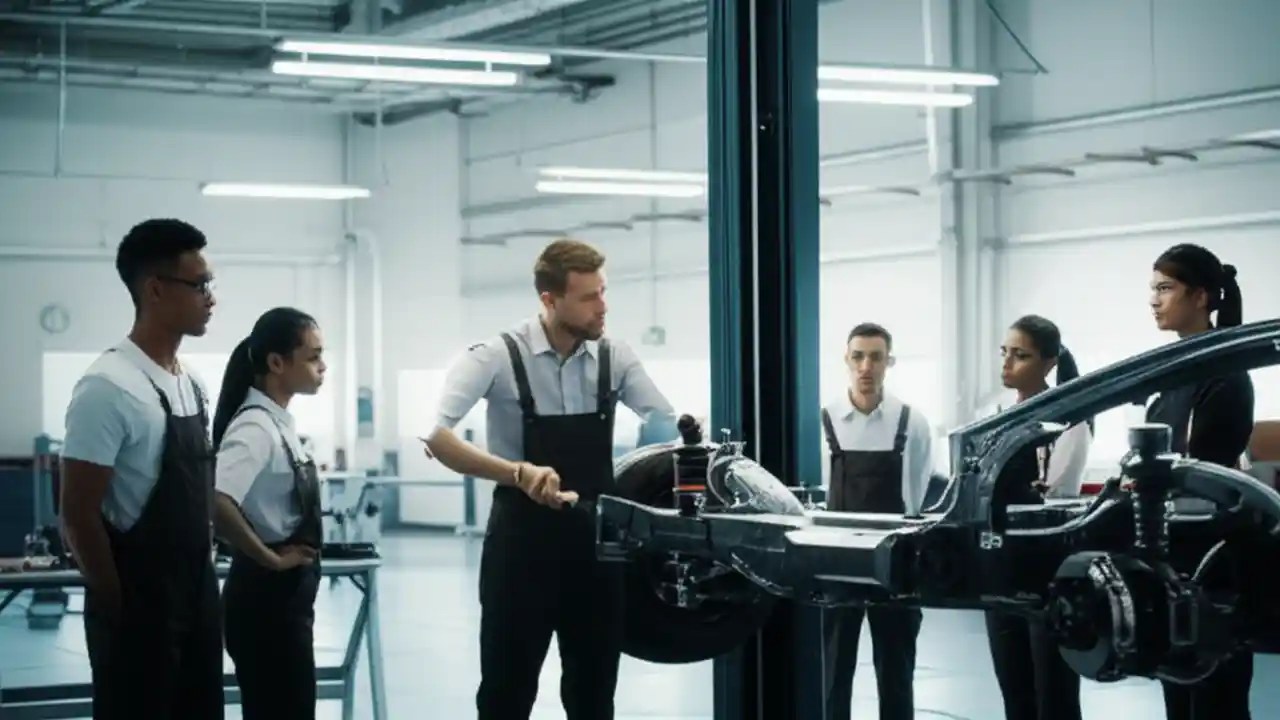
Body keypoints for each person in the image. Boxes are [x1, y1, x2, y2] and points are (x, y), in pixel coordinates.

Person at [422, 238, 677, 720]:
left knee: (594, 697)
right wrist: (517, 472)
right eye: (589, 296)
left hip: (596, 550)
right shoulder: (495, 357)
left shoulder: (614, 358)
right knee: (506, 694)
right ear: (549, 299)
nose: (603, 306)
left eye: (603, 292)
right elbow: (436, 437)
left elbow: (667, 424)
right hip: (521, 550)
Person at [59, 218, 223, 719]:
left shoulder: (193, 383)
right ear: (155, 289)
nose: (211, 298)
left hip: (198, 595)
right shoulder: (107, 386)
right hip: (139, 604)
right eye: (200, 285)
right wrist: (119, 606)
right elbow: (78, 515)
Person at [1145, 243, 1254, 720]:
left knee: (1214, 703)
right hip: (1176, 562)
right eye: (1152, 289)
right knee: (1178, 698)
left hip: (1210, 565)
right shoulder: (1173, 373)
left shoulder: (1224, 375)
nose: (1154, 300)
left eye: (1166, 288)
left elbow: (1202, 470)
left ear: (1201, 297)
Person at [211, 308, 327, 720]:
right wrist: (271, 559)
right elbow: (216, 500)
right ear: (277, 363)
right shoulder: (256, 428)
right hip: (265, 602)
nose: (323, 366)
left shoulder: (278, 423)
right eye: (313, 356)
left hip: (285, 601)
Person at [820, 322, 933, 720]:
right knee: (833, 673)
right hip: (837, 563)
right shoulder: (826, 420)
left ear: (890, 362)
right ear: (846, 360)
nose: (866, 366)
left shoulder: (912, 422)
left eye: (876, 357)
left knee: (897, 670)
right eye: (858, 356)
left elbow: (917, 496)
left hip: (895, 561)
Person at [985, 314, 1091, 720]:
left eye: (1021, 355)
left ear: (1049, 363)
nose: (1007, 363)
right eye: (1005, 352)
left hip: (1047, 572)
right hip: (1001, 569)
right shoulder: (995, 419)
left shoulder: (1070, 423)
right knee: (1014, 692)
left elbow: (1055, 498)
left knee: (1054, 696)